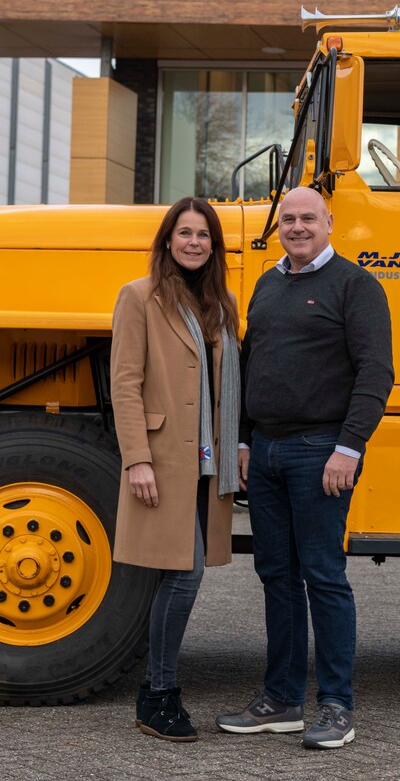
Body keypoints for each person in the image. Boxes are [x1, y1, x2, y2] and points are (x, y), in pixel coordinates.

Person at [216, 186, 394, 750]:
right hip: (266, 451)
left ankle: (337, 706)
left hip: (320, 452)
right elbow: (250, 366)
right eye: (288, 218)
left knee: (323, 576)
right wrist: (243, 441)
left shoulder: (356, 285)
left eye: (307, 218)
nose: (296, 226)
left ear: (329, 223)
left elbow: (376, 371)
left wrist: (349, 448)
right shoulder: (267, 284)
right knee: (276, 575)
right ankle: (282, 701)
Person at [111, 196, 240, 743]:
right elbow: (125, 383)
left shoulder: (223, 305)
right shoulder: (139, 296)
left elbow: (229, 386)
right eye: (184, 233)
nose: (194, 242)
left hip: (207, 462)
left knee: (181, 573)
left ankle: (157, 692)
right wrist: (137, 458)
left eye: (203, 235)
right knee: (184, 574)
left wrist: (238, 447)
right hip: (163, 459)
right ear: (167, 240)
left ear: (214, 246)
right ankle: (158, 693)